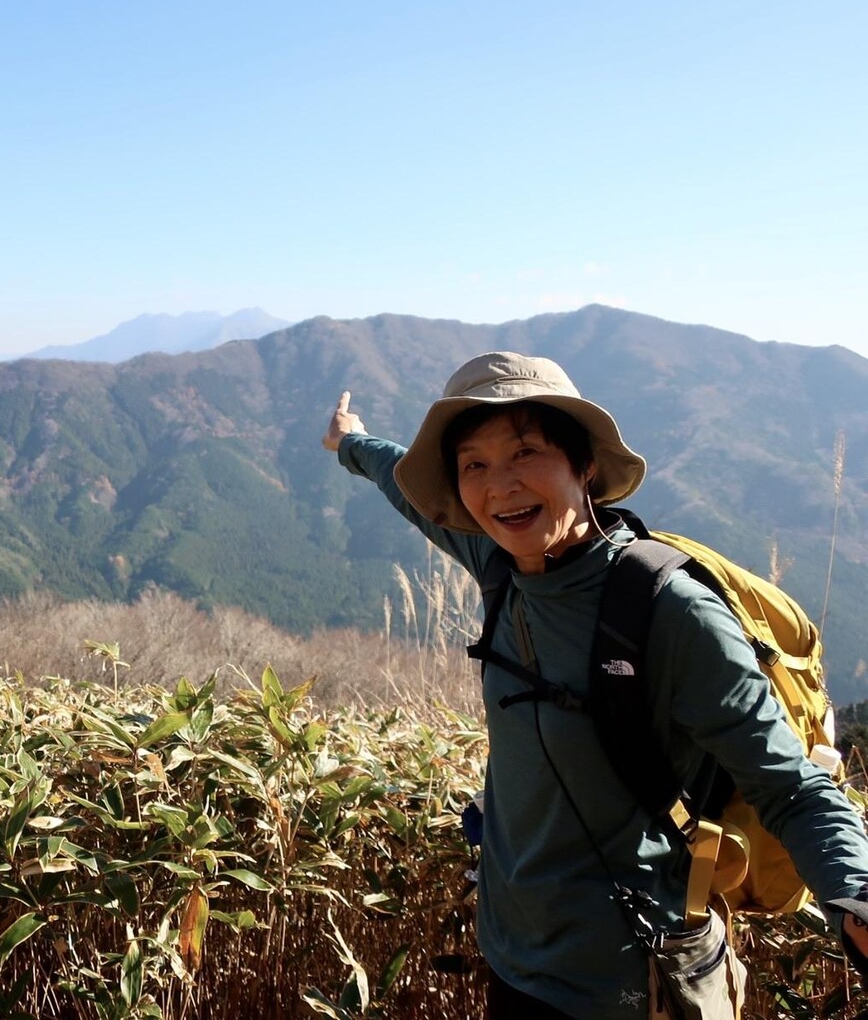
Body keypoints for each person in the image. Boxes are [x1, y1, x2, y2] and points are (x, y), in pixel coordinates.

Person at [322, 351, 868, 1019]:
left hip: (627, 985)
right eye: (475, 465)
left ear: (584, 465)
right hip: (513, 961)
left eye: (526, 453)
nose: (501, 486)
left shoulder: (671, 614)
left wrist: (856, 893)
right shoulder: (502, 565)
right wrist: (350, 442)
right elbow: (402, 486)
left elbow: (790, 786)